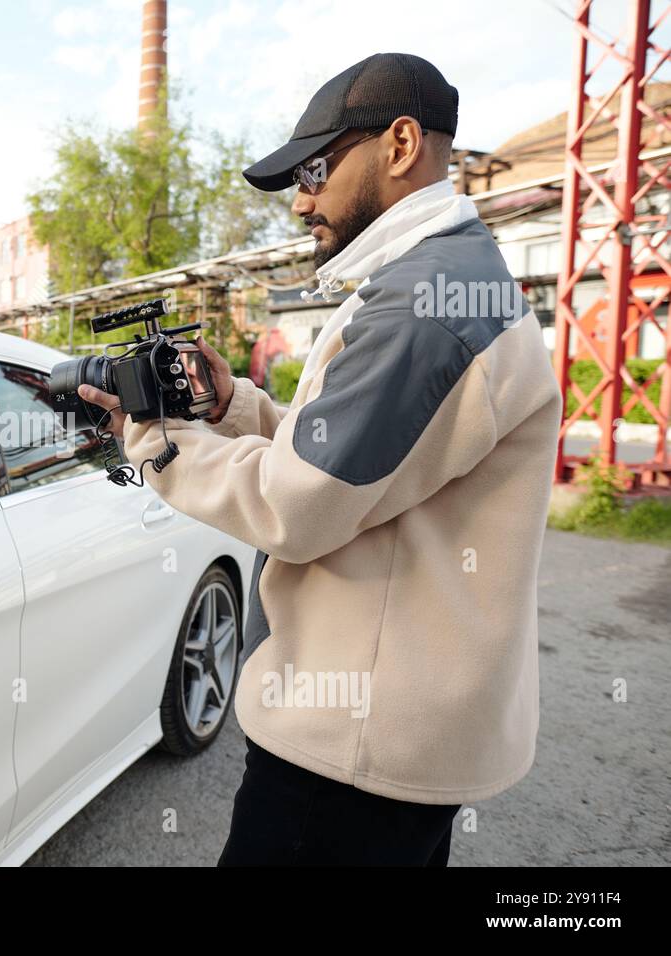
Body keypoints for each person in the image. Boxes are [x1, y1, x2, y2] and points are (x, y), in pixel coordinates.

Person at [78, 53, 562, 865]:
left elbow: (297, 508)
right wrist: (236, 409)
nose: (301, 201)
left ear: (400, 144)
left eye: (313, 170)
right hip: (390, 739)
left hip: (351, 755)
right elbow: (361, 472)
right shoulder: (441, 282)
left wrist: (158, 438)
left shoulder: (424, 306)